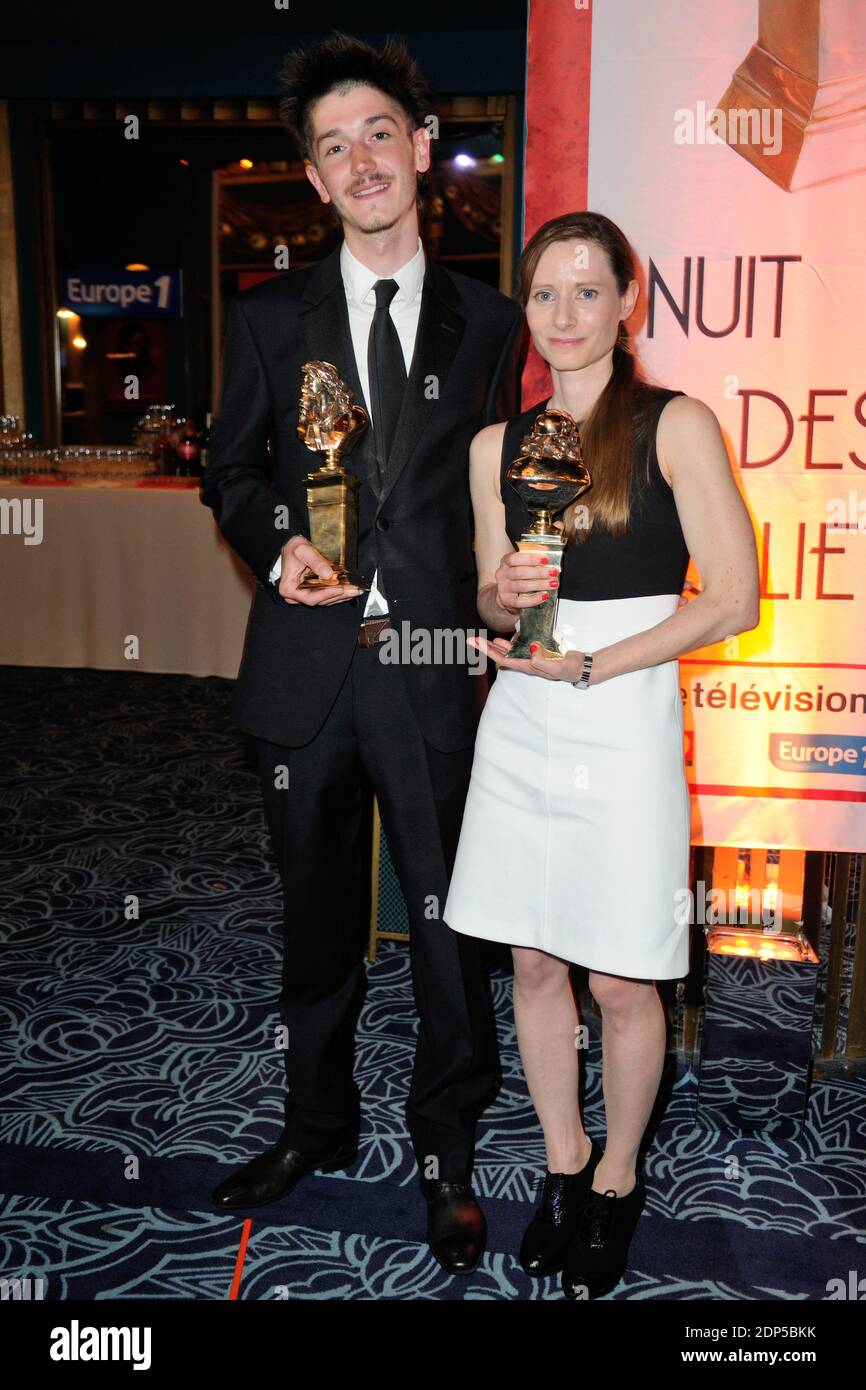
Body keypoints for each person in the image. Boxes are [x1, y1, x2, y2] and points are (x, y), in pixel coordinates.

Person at [200, 31, 524, 1275]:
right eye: (330, 147)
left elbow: (497, 493)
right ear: (317, 182)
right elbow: (232, 471)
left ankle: (445, 1148)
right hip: (305, 657)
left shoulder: (489, 321)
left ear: (419, 148)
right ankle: (312, 1122)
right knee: (315, 922)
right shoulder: (270, 315)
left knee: (450, 922)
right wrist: (275, 538)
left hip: (435, 654)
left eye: (376, 132)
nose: (358, 159)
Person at [443, 210, 759, 1298]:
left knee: (622, 979)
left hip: (618, 714)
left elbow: (731, 596)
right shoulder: (496, 445)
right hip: (520, 717)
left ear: (628, 302)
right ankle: (563, 1162)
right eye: (543, 294)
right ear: (522, 309)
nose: (564, 315)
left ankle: (618, 1177)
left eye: (588, 291)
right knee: (533, 960)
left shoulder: (675, 425)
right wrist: (505, 597)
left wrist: (596, 662)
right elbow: (487, 592)